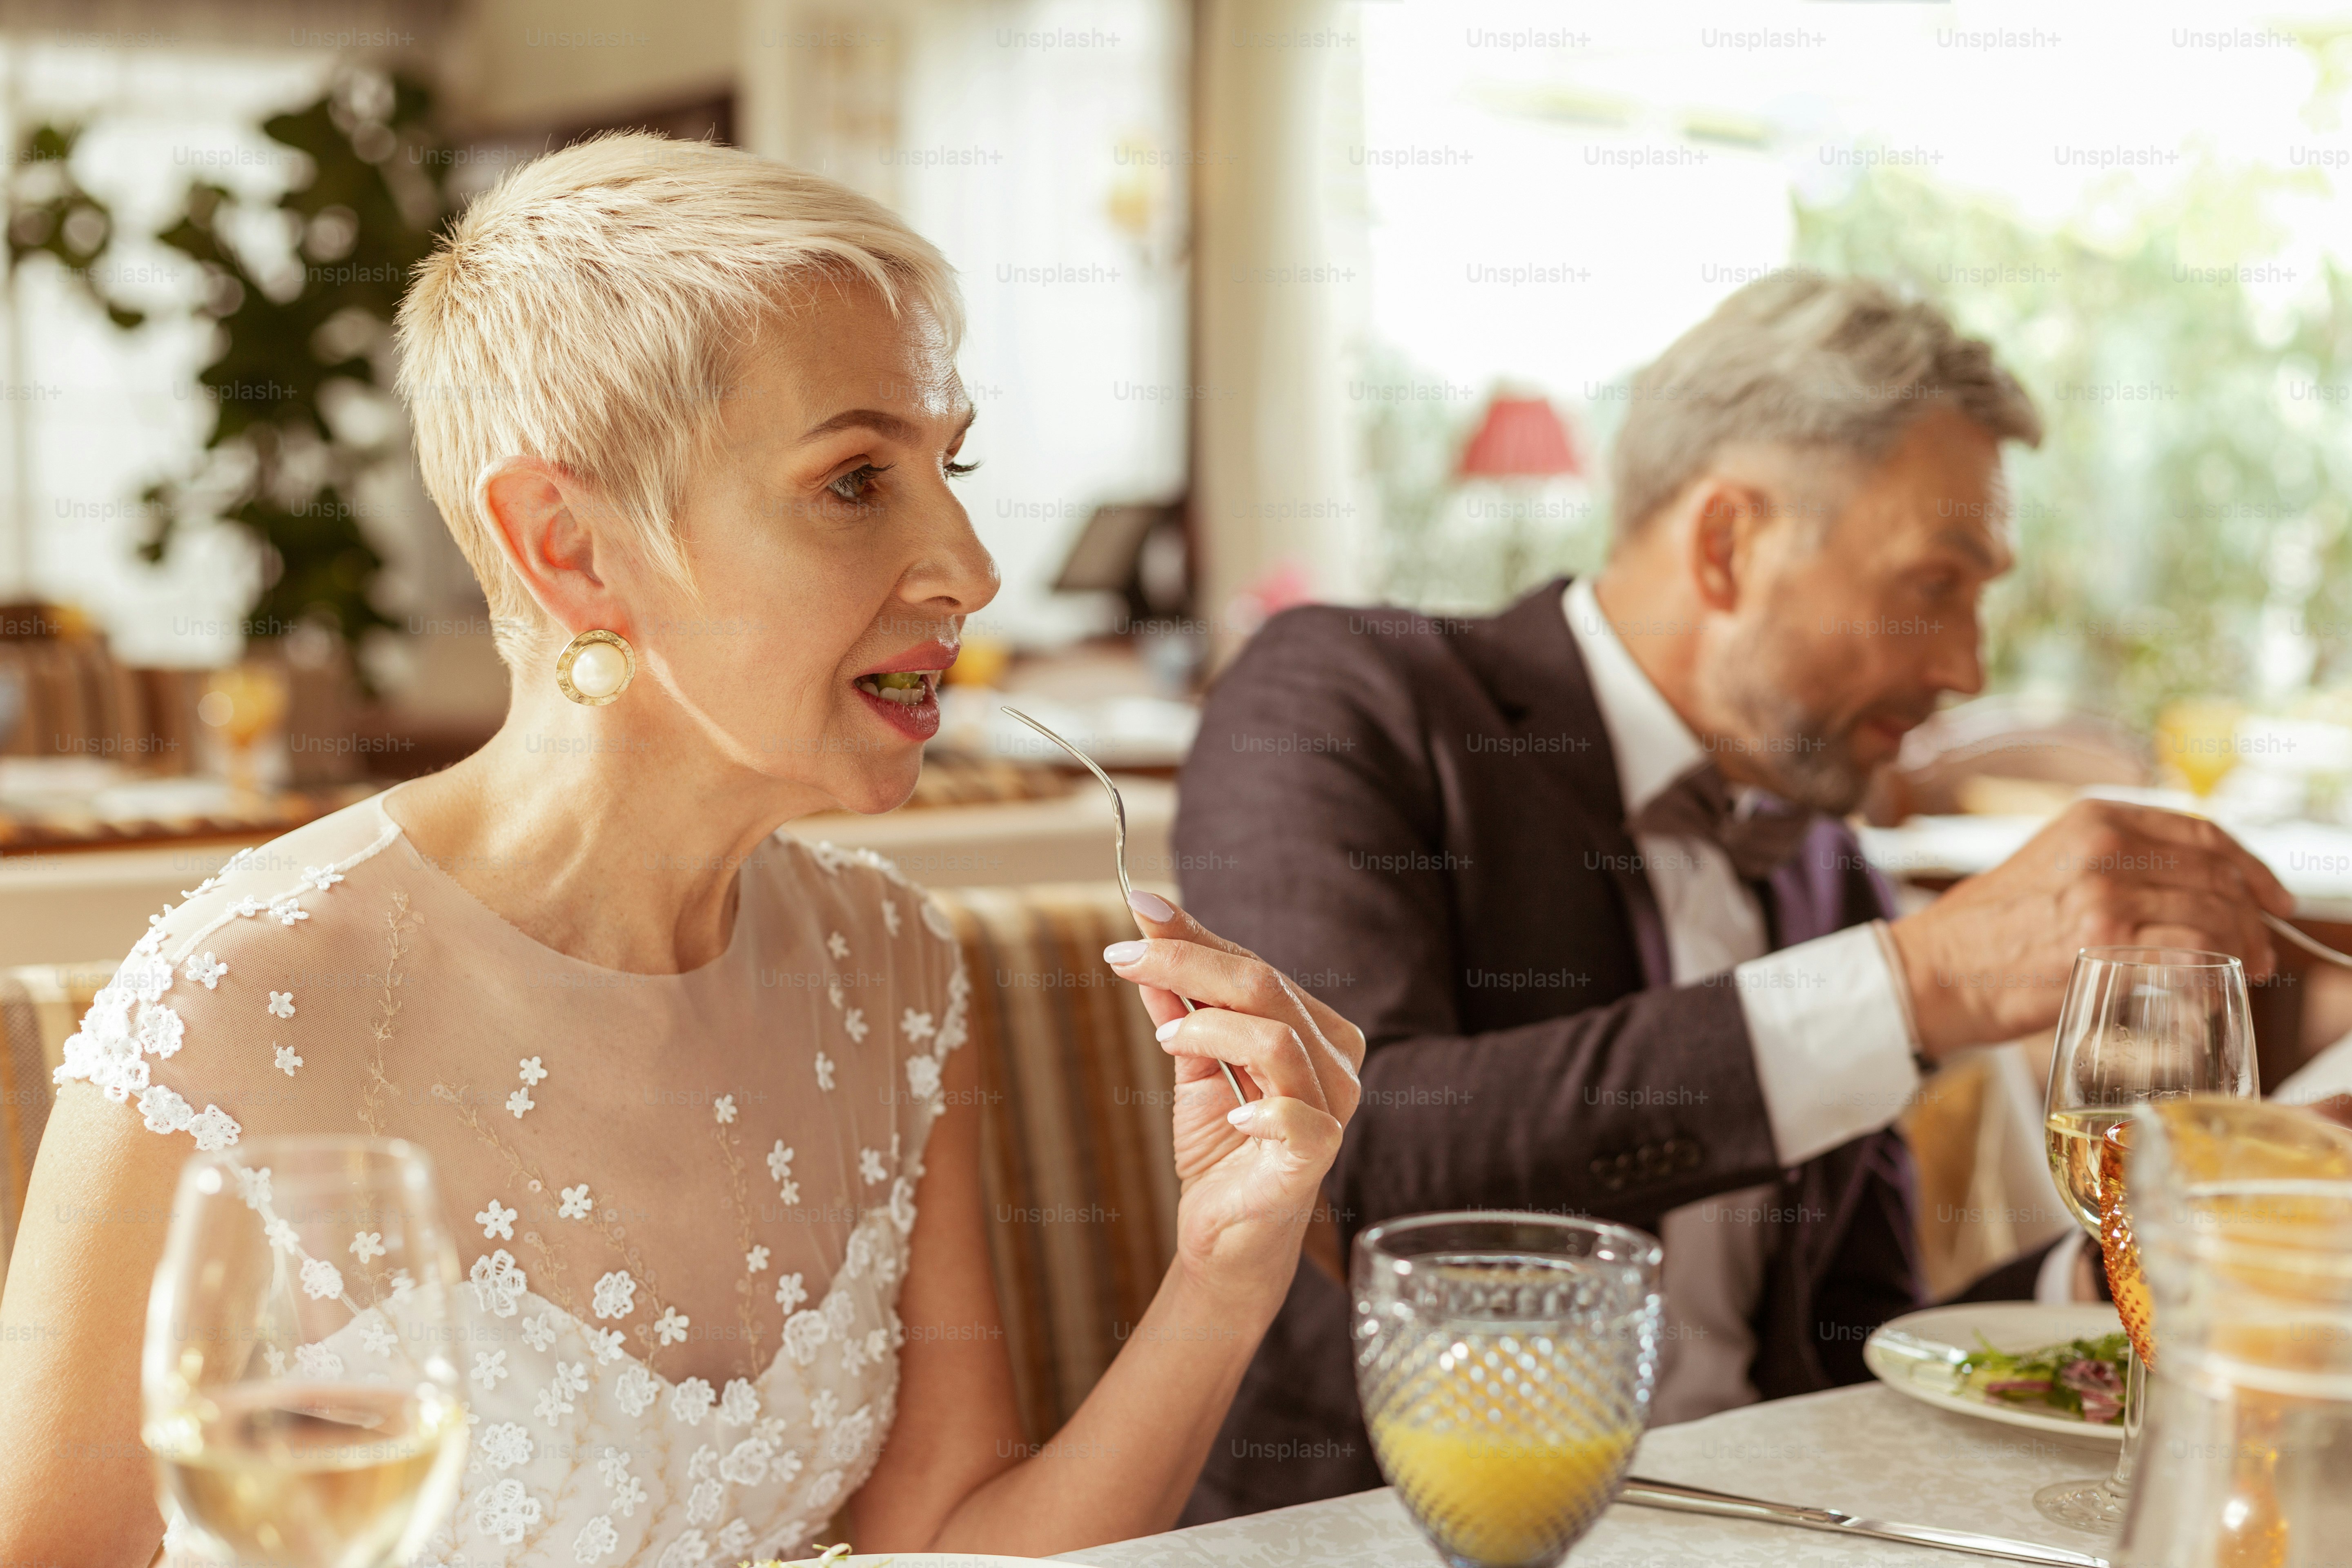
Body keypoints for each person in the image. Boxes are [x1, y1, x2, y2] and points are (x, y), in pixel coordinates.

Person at [0, 134, 1364, 1566]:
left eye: (948, 465)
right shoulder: (230, 1015)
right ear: (572, 547)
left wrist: (1224, 1268)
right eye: (855, 480)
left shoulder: (888, 969)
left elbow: (949, 1549)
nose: (970, 564)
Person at [1173, 271, 2292, 1521]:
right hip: (1374, 1534)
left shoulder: (1819, 864)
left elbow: (1852, 1342)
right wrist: (1916, 983)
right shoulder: (1347, 701)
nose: (1967, 667)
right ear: (1729, 544)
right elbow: (1355, 1165)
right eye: (1938, 583)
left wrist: (2116, 1274)